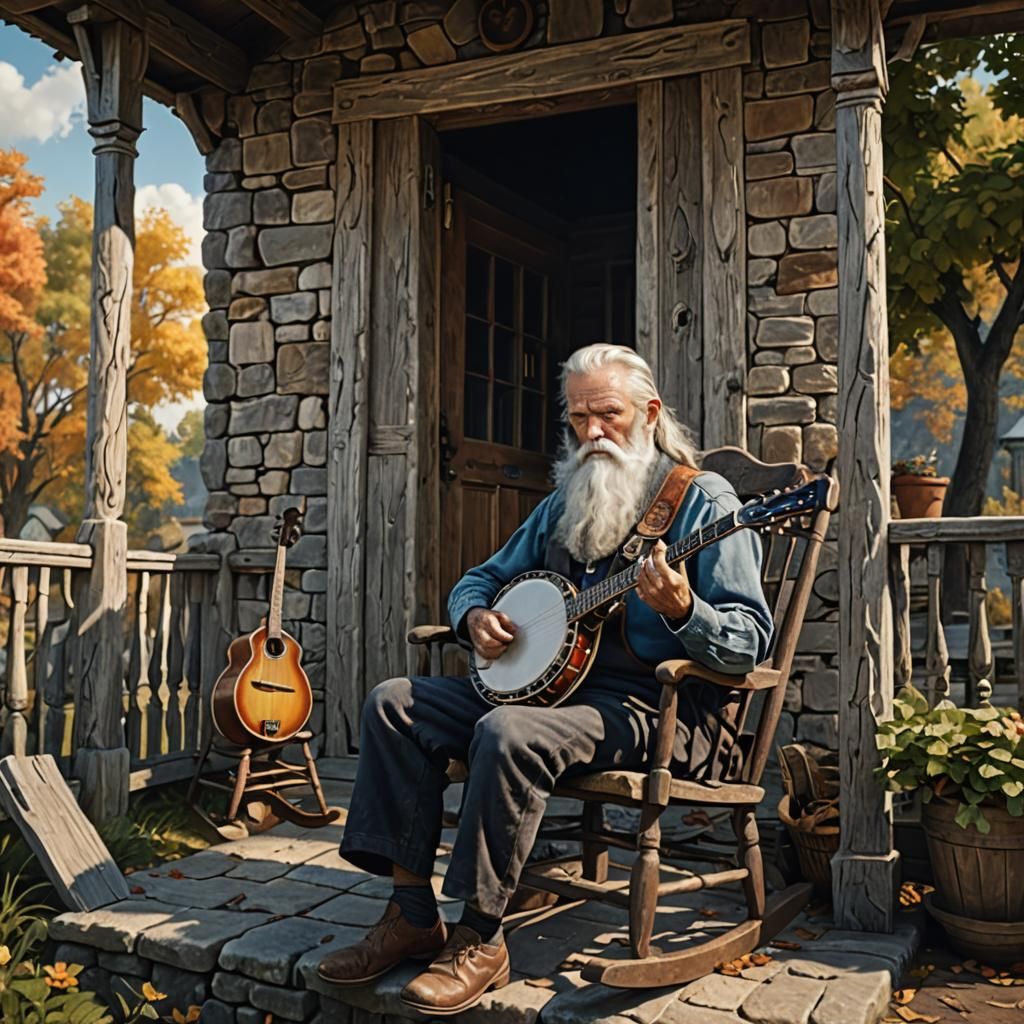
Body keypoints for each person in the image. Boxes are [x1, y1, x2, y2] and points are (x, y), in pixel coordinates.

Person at [317, 343, 773, 1015]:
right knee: (394, 703)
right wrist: (474, 616)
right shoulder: (565, 501)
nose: (593, 434)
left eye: (608, 415)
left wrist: (684, 609)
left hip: (652, 707)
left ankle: (479, 935)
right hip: (550, 693)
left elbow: (749, 642)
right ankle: (412, 912)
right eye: (578, 419)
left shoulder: (702, 503)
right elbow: (480, 578)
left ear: (648, 413)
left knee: (508, 730)